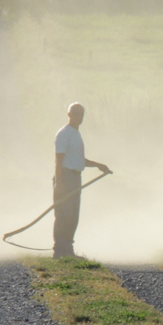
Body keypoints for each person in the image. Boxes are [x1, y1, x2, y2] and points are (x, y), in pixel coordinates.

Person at [53, 102, 111, 259]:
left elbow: (78, 159)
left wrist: (98, 165)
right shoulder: (64, 134)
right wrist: (59, 183)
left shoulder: (76, 134)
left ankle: (68, 249)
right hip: (65, 176)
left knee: (73, 214)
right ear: (69, 114)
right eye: (75, 113)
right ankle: (60, 250)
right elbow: (59, 159)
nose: (78, 116)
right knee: (64, 213)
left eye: (80, 113)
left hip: (75, 177)